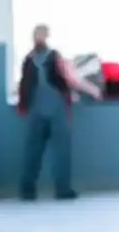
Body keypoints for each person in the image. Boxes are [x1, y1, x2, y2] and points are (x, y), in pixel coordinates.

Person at [17, 24, 101, 200]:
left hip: (36, 111)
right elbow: (72, 79)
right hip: (56, 111)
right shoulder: (55, 57)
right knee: (61, 151)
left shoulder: (28, 60)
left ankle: (27, 191)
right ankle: (62, 190)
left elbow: (23, 86)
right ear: (47, 37)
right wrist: (94, 90)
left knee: (33, 152)